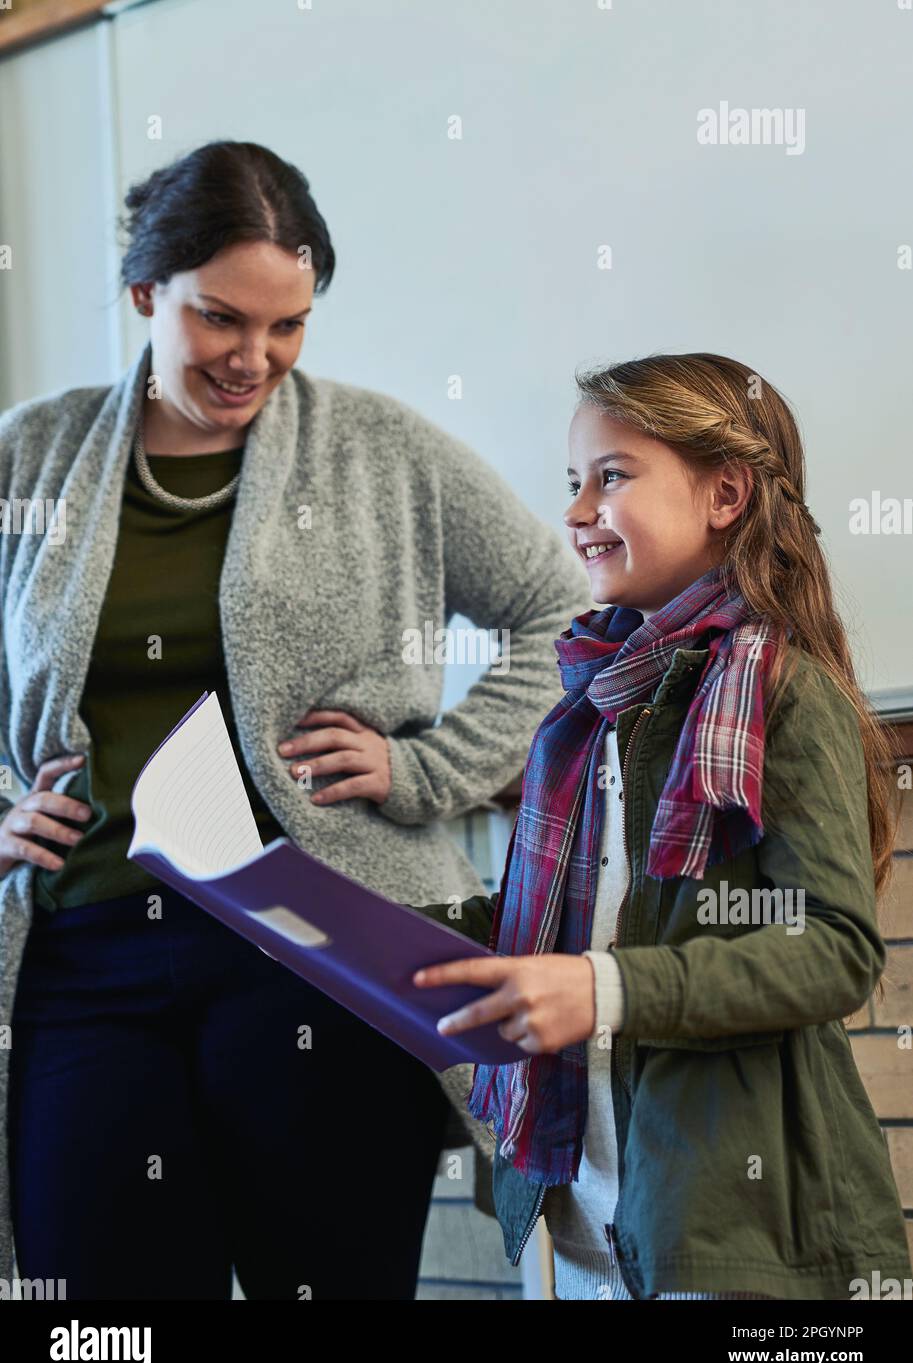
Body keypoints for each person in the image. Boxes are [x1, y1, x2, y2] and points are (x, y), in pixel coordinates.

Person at [0, 139, 591, 1299]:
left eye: (289, 325)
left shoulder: (381, 449)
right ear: (142, 294)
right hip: (86, 956)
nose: (252, 357)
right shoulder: (31, 451)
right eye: (220, 318)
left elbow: (557, 612)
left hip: (318, 951)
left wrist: (430, 767)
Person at [413, 351, 913, 1301]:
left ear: (724, 494)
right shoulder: (596, 710)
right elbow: (584, 919)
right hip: (584, 1218)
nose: (572, 513)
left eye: (610, 477)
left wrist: (600, 989)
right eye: (573, 482)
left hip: (728, 1234)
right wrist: (405, 941)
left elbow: (833, 950)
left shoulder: (782, 696)